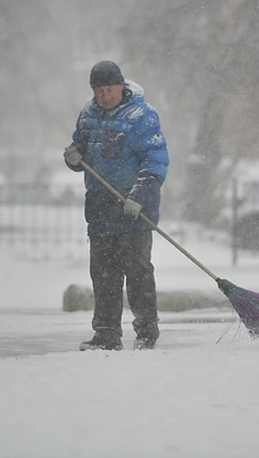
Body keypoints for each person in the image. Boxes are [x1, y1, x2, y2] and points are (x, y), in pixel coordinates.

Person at [63, 60, 169, 351]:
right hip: (99, 208)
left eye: (109, 89)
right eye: (98, 90)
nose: (104, 96)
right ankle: (107, 333)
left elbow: (156, 160)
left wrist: (140, 196)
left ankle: (147, 331)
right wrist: (73, 158)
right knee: (103, 274)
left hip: (133, 207)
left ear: (121, 86)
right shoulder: (87, 115)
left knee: (137, 273)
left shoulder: (142, 116)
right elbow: (81, 151)